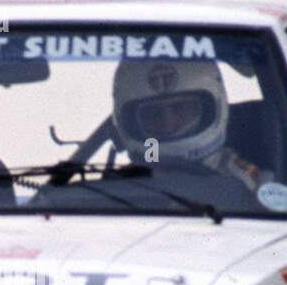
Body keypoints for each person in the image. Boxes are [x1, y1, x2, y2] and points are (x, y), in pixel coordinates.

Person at [111, 59, 272, 194]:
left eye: (180, 108)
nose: (169, 123)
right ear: (129, 121)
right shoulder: (114, 190)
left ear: (212, 108)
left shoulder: (251, 183)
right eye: (153, 113)